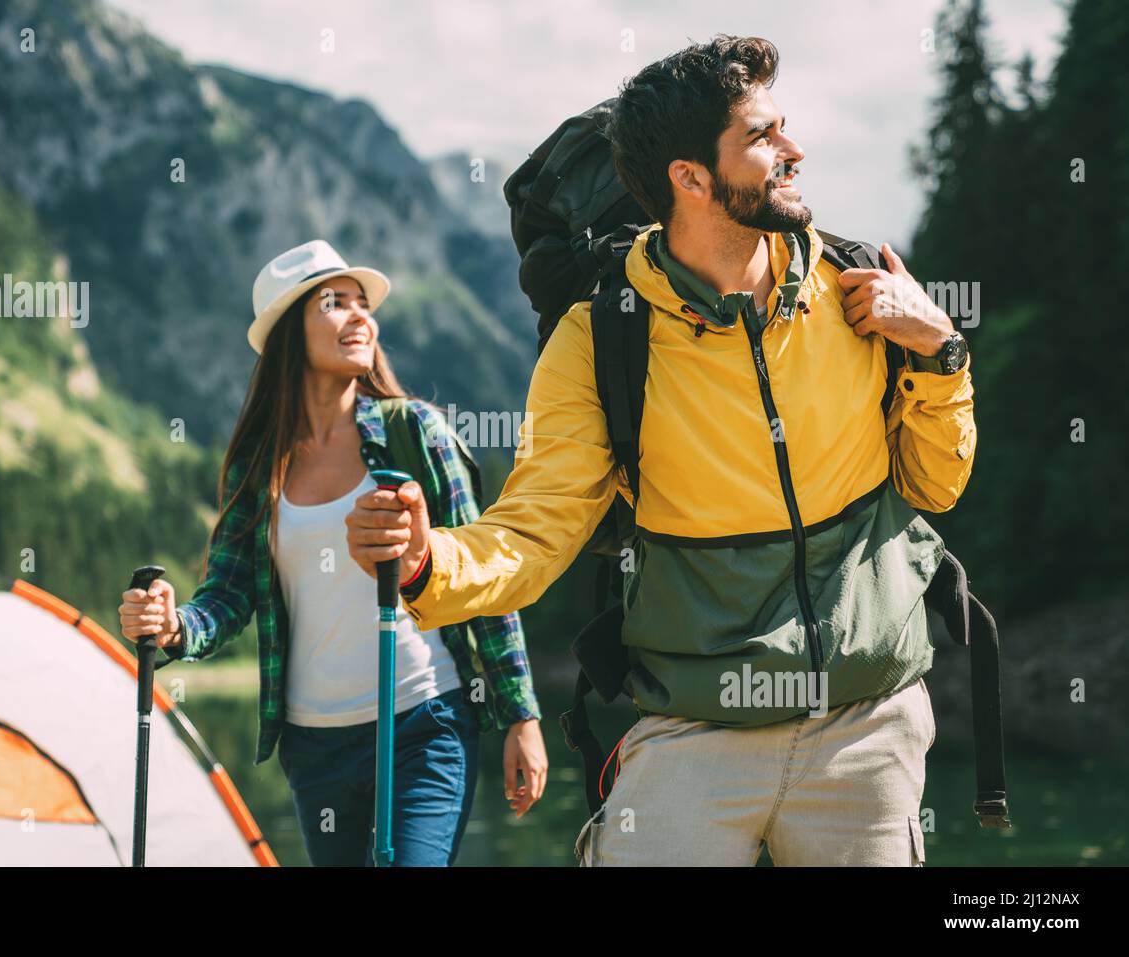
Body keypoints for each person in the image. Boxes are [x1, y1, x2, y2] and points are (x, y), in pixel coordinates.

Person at [348, 36, 973, 866]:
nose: (794, 150)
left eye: (783, 127)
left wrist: (939, 350)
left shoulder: (862, 288)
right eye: (762, 137)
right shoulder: (600, 338)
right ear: (690, 177)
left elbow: (937, 483)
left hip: (867, 728)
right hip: (693, 730)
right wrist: (429, 560)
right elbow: (537, 530)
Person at [119, 239, 546, 866]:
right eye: (335, 303)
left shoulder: (414, 433)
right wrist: (175, 624)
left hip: (423, 722)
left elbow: (478, 574)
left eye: (363, 304)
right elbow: (228, 594)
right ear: (292, 330)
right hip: (314, 747)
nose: (361, 317)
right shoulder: (259, 462)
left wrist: (522, 715)